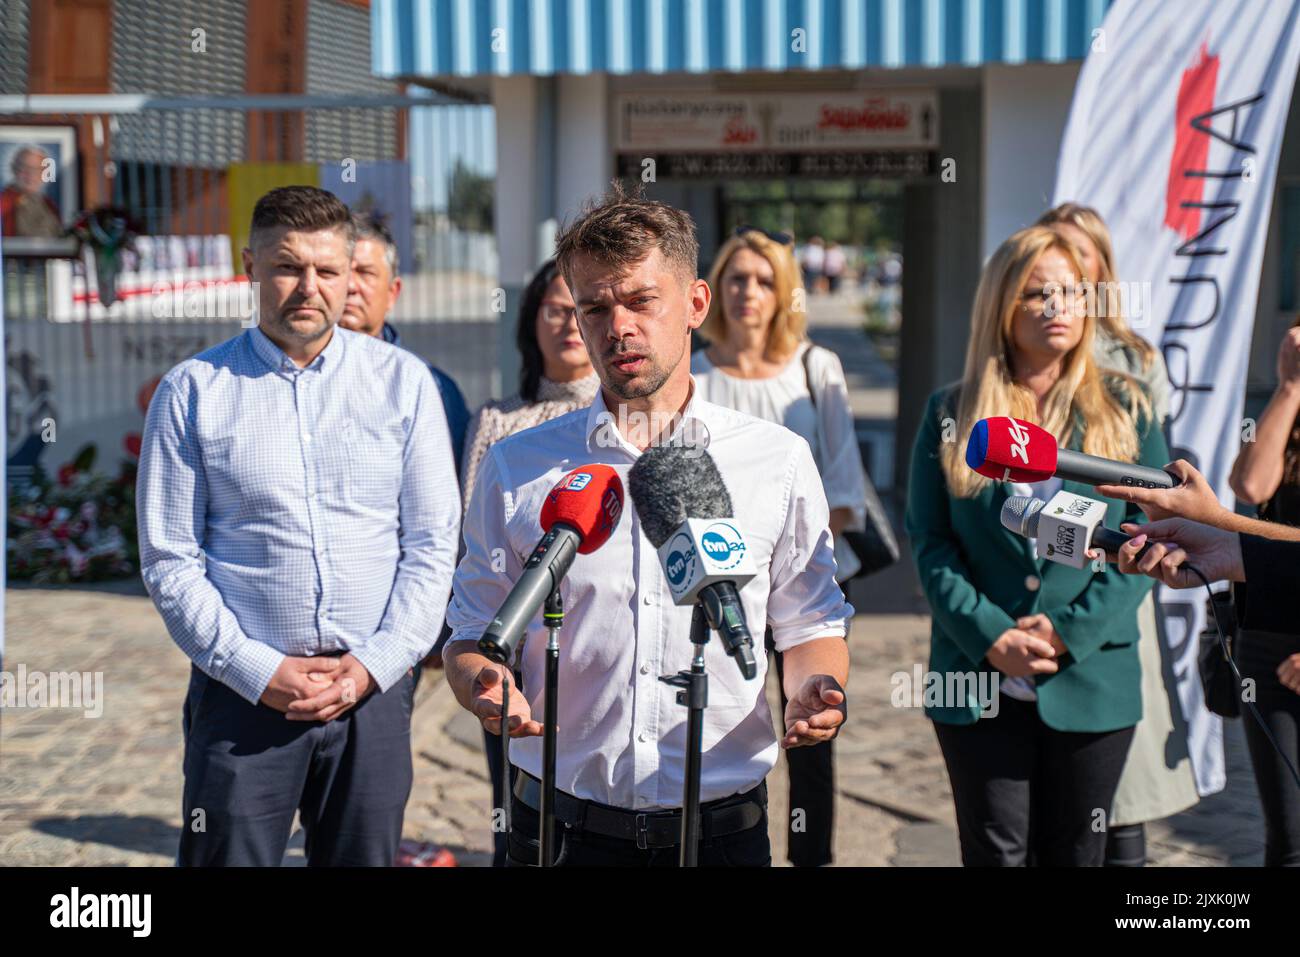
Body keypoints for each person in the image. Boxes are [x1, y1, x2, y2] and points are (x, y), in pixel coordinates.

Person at [444, 184, 853, 867]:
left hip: (722, 834)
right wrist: (483, 680)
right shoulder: (518, 465)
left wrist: (814, 687)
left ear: (696, 303)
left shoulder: (774, 460)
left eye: (640, 300)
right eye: (595, 306)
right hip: (557, 833)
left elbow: (811, 624)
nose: (617, 327)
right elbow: (471, 630)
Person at [137, 185, 461, 866]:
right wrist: (257, 669)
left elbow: (431, 547)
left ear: (350, 275)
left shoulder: (405, 384)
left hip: (370, 693)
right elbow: (170, 560)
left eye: (327, 269)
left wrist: (372, 666)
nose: (308, 287)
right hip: (243, 698)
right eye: (287, 265)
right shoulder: (192, 391)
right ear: (249, 264)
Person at [906, 224, 1167, 866]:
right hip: (975, 677)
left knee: (1077, 854)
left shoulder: (1127, 407)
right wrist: (990, 633)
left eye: (1072, 291)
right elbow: (931, 542)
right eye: (1037, 293)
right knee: (995, 852)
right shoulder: (952, 410)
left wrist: (1065, 633)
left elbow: (1146, 540)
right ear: (1001, 305)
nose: (1059, 307)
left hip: (1091, 676)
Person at [691, 225, 872, 866]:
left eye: (765, 279)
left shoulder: (814, 370)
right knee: (722, 717)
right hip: (716, 581)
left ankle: (810, 855)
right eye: (737, 277)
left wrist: (792, 561)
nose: (749, 291)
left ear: (785, 291)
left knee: (811, 726)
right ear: (713, 290)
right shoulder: (693, 373)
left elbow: (844, 485)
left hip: (804, 570)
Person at [1036, 201, 1193, 866]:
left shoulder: (1131, 362)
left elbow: (1153, 479)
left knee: (1121, 784)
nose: (1065, 274)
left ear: (1099, 269)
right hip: (1046, 580)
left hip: (1111, 582)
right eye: (1053, 258)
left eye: (1081, 255)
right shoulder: (1015, 358)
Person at [455, 257, 599, 867]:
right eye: (555, 309)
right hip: (515, 652)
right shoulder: (498, 421)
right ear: (531, 321)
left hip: (598, 644)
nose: (569, 323)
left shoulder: (627, 420)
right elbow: (474, 538)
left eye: (580, 309)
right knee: (517, 809)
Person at [340, 212, 470, 478]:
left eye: (365, 273)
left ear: (392, 292)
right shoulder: (292, 375)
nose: (351, 285)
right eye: (339, 272)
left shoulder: (432, 387)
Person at [1, 145, 61, 238]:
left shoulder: (49, 204)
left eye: (37, 169)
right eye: (24, 167)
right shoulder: (4, 201)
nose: (30, 174)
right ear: (14, 169)